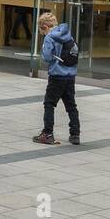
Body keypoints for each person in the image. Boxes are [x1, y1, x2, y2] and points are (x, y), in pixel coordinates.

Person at [33, 12, 80, 145]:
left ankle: (47, 133)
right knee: (71, 105)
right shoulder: (67, 34)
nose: (42, 33)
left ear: (45, 27)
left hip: (57, 75)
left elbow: (47, 58)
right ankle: (75, 134)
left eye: (41, 30)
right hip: (70, 76)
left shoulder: (50, 37)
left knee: (49, 104)